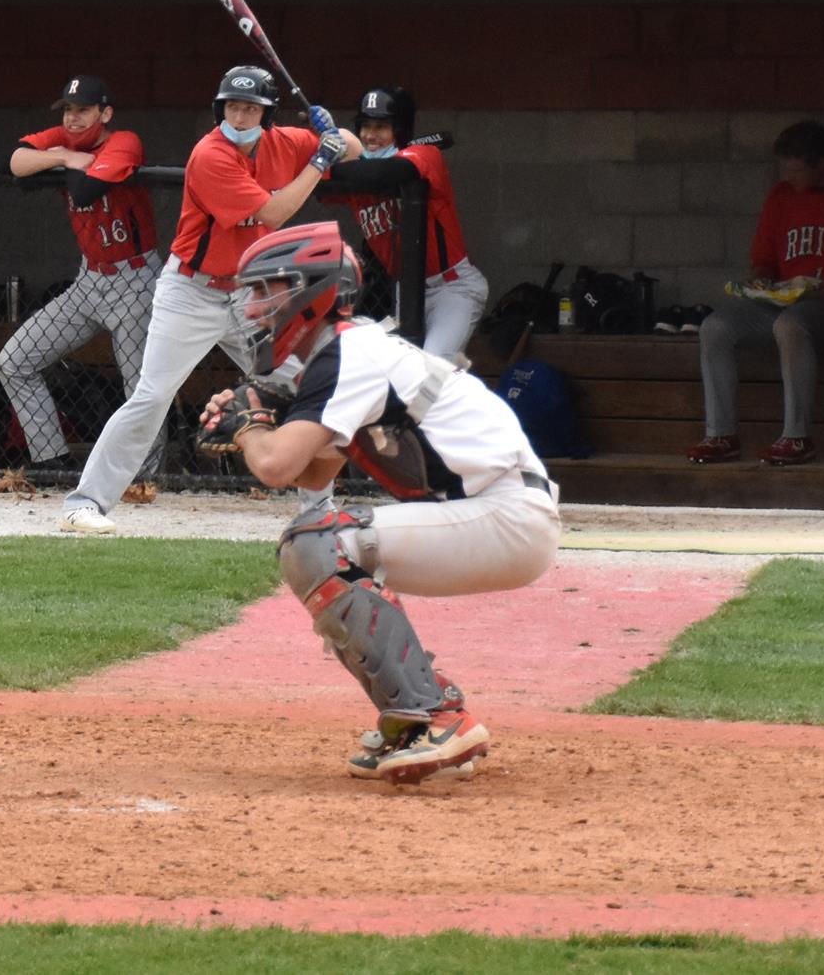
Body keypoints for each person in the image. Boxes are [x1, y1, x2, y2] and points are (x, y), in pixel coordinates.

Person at [199, 220, 560, 783]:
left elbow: (274, 465)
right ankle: (417, 717)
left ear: (310, 289)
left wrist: (248, 428)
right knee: (317, 542)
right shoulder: (344, 351)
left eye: (267, 290)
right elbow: (317, 467)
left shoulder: (350, 352)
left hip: (506, 516)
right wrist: (262, 419)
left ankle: (439, 716)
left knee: (317, 545)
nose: (252, 308)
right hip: (491, 513)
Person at [59, 65, 357, 535]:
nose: (240, 116)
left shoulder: (286, 142)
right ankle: (85, 502)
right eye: (232, 106)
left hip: (253, 296)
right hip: (191, 292)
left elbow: (353, 149)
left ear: (267, 114)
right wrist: (321, 161)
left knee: (306, 387)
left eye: (251, 108)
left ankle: (317, 511)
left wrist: (331, 130)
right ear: (220, 109)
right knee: (151, 396)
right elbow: (273, 212)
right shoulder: (210, 154)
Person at [0, 75, 160, 474]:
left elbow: (86, 190)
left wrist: (52, 161)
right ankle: (53, 460)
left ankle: (149, 477)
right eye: (68, 110)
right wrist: (63, 157)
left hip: (135, 279)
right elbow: (9, 162)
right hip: (88, 282)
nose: (72, 118)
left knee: (140, 387)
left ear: (105, 113)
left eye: (83, 110)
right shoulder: (65, 140)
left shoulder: (125, 142)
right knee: (13, 361)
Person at [688, 120, 824, 467]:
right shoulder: (781, 196)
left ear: (821, 164)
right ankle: (721, 434)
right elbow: (763, 260)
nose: (787, 177)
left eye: (795, 170)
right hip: (784, 301)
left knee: (791, 325)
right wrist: (759, 282)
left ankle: (796, 437)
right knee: (715, 327)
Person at [323, 87, 488, 359]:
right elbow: (311, 180)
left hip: (451, 287)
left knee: (429, 372)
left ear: (399, 130)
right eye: (365, 126)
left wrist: (338, 162)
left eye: (381, 126)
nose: (370, 135)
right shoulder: (357, 176)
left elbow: (383, 174)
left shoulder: (425, 154)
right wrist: (324, 149)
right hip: (403, 292)